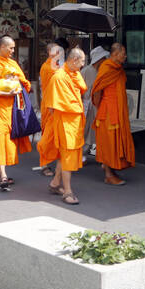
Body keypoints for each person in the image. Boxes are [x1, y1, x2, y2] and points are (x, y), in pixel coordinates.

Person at [0, 35, 31, 188]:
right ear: (2, 47)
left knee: (7, 142)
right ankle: (3, 175)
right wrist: (5, 92)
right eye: (10, 48)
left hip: (12, 110)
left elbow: (25, 83)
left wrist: (17, 82)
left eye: (14, 48)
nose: (12, 51)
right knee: (0, 138)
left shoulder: (12, 63)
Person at [40, 48, 87, 205]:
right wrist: (59, 123)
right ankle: (67, 191)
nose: (83, 65)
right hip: (64, 122)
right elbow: (52, 105)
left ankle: (55, 183)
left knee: (65, 156)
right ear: (74, 60)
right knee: (67, 156)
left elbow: (80, 91)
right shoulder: (59, 77)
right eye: (82, 62)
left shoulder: (74, 74)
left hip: (74, 121)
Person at [91, 42, 134, 185]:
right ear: (115, 54)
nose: (125, 56)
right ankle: (109, 175)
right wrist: (100, 107)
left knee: (116, 142)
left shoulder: (118, 69)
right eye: (124, 53)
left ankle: (111, 169)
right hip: (108, 112)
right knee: (109, 143)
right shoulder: (107, 68)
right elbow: (96, 90)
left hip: (119, 110)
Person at [38, 43, 64, 178]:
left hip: (58, 104)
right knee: (47, 135)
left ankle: (59, 161)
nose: (58, 53)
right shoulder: (47, 67)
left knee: (57, 135)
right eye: (55, 51)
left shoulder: (58, 66)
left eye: (59, 51)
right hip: (49, 105)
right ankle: (44, 164)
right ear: (49, 52)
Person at [81, 45, 106, 155]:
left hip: (97, 105)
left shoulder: (103, 71)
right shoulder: (86, 71)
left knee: (94, 131)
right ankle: (80, 154)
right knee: (84, 131)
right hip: (86, 104)